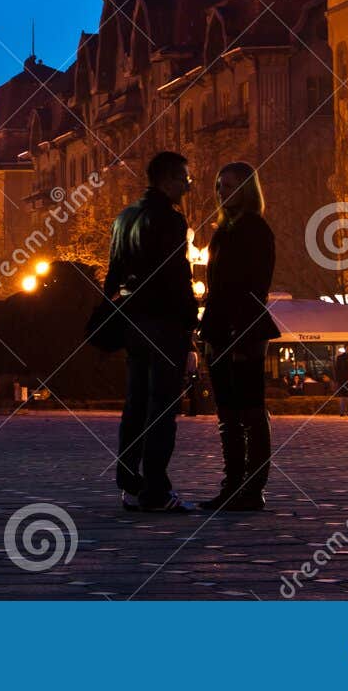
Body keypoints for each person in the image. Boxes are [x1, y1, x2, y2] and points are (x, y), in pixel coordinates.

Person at [104, 150, 198, 514]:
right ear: (167, 180)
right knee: (162, 407)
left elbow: (112, 274)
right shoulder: (170, 221)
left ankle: (129, 482)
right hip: (164, 322)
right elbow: (177, 275)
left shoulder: (124, 218)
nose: (188, 187)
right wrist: (190, 324)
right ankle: (156, 490)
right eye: (184, 179)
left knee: (135, 404)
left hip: (133, 322)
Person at [198, 161, 278, 512]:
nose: (222, 192)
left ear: (247, 189)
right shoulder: (222, 232)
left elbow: (255, 286)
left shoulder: (255, 229)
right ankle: (232, 484)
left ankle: (253, 486)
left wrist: (240, 332)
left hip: (245, 326)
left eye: (229, 185)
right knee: (227, 414)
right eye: (219, 185)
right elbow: (216, 287)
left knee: (250, 411)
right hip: (218, 326)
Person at [334, 347, 348, 417]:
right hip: (344, 379)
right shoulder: (341, 358)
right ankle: (344, 411)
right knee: (344, 395)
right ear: (346, 350)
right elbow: (338, 369)